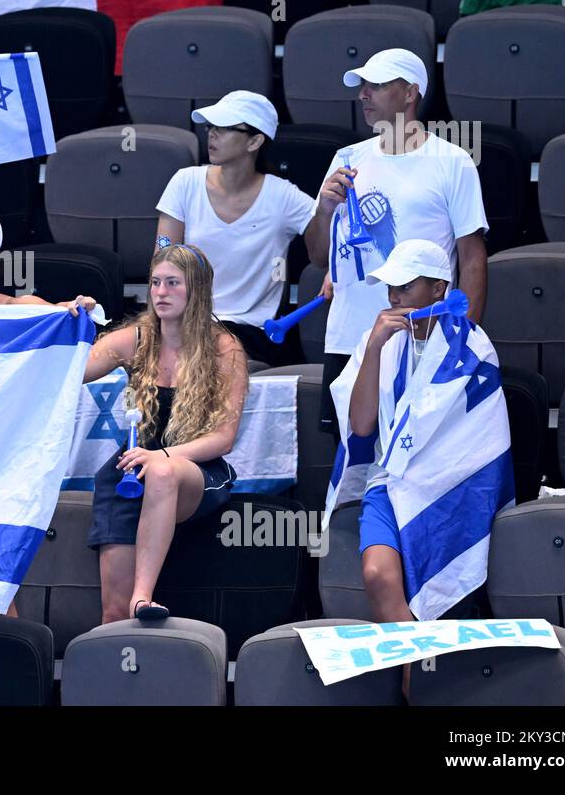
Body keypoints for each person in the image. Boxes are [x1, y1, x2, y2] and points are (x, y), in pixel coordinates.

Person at [337, 240, 513, 688]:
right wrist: (375, 347)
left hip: (449, 485)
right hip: (388, 484)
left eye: (406, 285)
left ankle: (412, 690)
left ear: (438, 289)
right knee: (377, 574)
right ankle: (417, 684)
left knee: (421, 601)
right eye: (390, 285)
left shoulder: (474, 346)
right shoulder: (378, 340)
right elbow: (361, 427)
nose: (394, 295)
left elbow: (474, 442)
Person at [303, 48, 488, 437]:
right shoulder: (346, 158)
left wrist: (462, 338)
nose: (363, 94)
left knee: (416, 459)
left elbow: (472, 259)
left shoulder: (452, 161)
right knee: (350, 466)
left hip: (419, 338)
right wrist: (323, 210)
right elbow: (318, 256)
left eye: (377, 85)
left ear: (410, 93)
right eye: (363, 86)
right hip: (348, 336)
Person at [82, 243, 248, 623]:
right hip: (132, 469)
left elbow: (223, 438)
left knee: (160, 471)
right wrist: (71, 319)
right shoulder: (139, 338)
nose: (160, 292)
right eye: (155, 282)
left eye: (173, 283)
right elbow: (74, 368)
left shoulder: (224, 349)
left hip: (196, 468)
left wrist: (164, 456)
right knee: (112, 610)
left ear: (197, 290)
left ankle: (143, 596)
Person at [156, 91, 315, 366]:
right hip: (186, 323)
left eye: (224, 128)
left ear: (255, 141)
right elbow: (163, 260)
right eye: (211, 127)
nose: (212, 134)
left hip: (251, 333)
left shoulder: (283, 196)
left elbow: (328, 240)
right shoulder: (184, 182)